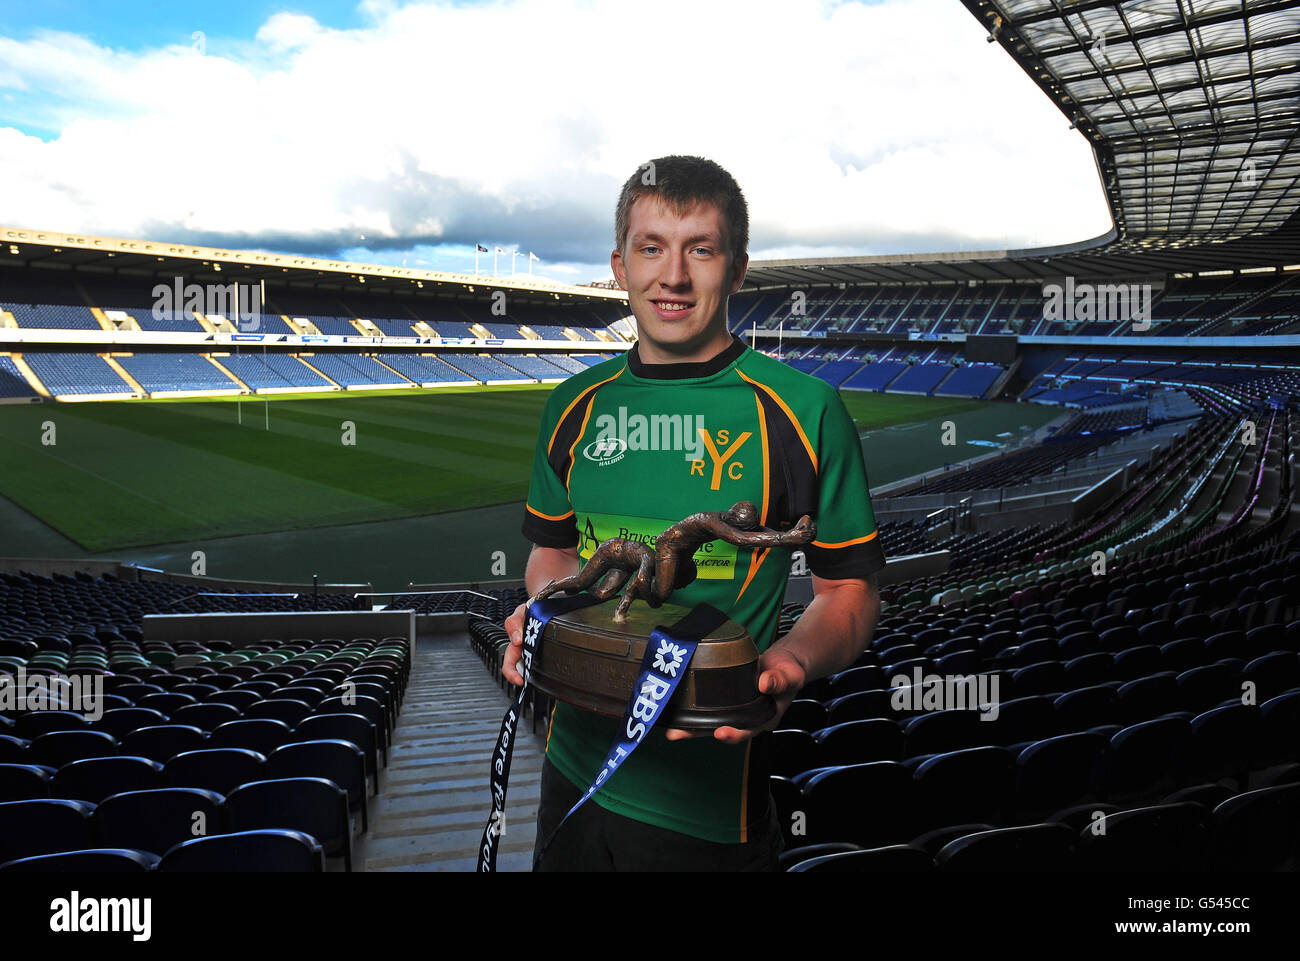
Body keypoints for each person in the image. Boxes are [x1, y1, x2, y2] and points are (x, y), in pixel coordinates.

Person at [503, 155, 885, 871]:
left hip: (706, 817)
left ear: (736, 267)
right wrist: (544, 612)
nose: (672, 276)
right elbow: (552, 556)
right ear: (620, 264)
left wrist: (792, 660)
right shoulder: (571, 407)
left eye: (699, 250)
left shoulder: (806, 411)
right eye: (651, 248)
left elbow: (850, 591)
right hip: (570, 783)